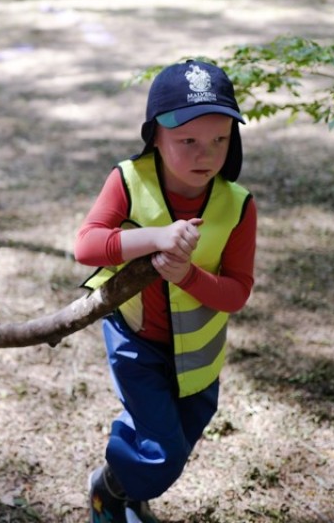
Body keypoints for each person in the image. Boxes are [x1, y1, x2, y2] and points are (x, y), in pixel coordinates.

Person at [74, 60, 257, 523]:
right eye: (187, 141)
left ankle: (129, 489)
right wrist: (155, 237)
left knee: (176, 438)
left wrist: (186, 276)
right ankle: (111, 489)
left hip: (199, 354)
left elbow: (237, 294)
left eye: (220, 140)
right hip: (136, 339)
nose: (206, 154)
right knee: (162, 455)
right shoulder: (128, 180)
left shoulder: (237, 205)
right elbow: (87, 245)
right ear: (155, 135)